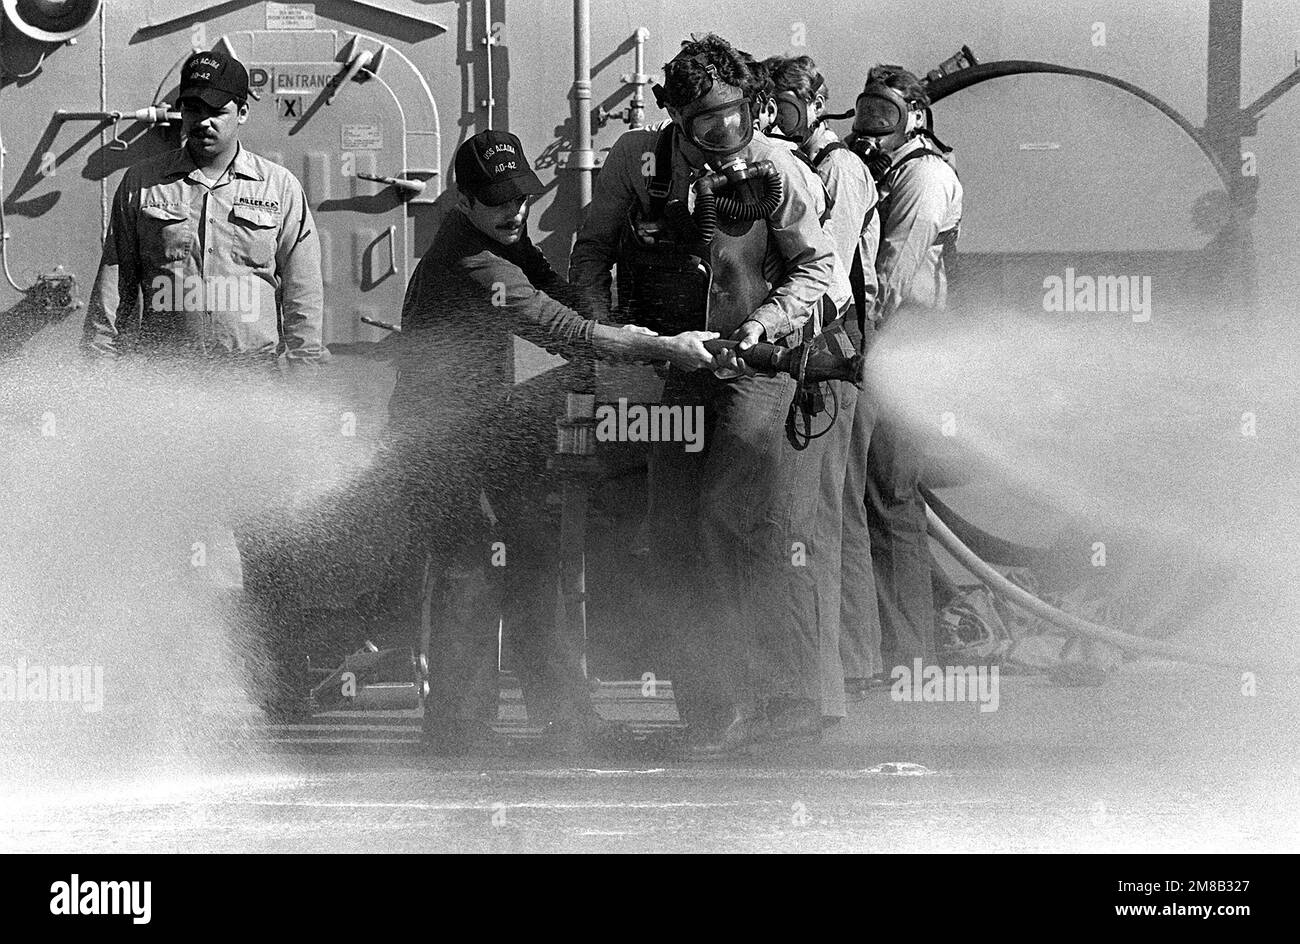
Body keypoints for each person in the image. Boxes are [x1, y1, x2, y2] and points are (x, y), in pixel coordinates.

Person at [390, 129, 718, 756]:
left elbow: (566, 296)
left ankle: (567, 716)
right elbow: (562, 327)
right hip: (439, 444)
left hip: (490, 430)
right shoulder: (472, 260)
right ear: (465, 203)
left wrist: (636, 311)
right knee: (471, 573)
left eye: (523, 197)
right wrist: (659, 345)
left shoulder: (503, 241)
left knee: (536, 565)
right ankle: (458, 729)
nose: (516, 211)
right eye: (498, 201)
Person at [569, 34, 850, 756]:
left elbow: (820, 273)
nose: (727, 140)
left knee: (737, 518)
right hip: (669, 368)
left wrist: (760, 323)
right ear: (675, 118)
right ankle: (709, 702)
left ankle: (779, 697)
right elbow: (592, 251)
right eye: (705, 127)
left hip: (754, 366)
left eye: (736, 118)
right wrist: (613, 335)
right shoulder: (637, 163)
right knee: (672, 530)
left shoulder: (781, 170)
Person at [84, 49, 325, 364]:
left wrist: (303, 374)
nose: (203, 121)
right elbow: (115, 287)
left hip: (251, 380)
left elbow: (302, 292)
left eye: (217, 111)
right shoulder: (142, 183)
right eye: (193, 109)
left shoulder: (279, 188)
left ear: (242, 113)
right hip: (166, 380)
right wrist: (99, 368)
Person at [769, 55, 883, 719]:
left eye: (784, 103)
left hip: (828, 358)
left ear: (813, 104)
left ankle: (839, 672)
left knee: (827, 520)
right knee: (832, 518)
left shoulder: (837, 169)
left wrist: (799, 356)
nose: (774, 116)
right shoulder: (808, 164)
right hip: (819, 359)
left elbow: (827, 275)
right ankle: (846, 666)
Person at [850, 64, 963, 669]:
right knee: (878, 496)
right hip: (887, 336)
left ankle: (909, 653)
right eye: (865, 111)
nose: (871, 125)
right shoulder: (887, 170)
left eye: (885, 114)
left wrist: (857, 346)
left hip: (902, 339)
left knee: (890, 497)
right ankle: (900, 643)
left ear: (915, 117)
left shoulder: (922, 178)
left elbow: (893, 273)